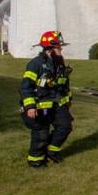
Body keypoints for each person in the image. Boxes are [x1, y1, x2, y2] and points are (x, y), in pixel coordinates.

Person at [19, 31, 73, 168]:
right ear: (49, 49)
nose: (61, 50)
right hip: (40, 106)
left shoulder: (59, 64)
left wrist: (68, 100)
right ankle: (36, 160)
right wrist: (30, 107)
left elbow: (64, 85)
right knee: (41, 133)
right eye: (58, 48)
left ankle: (51, 152)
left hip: (57, 104)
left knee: (65, 126)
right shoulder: (35, 64)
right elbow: (26, 87)